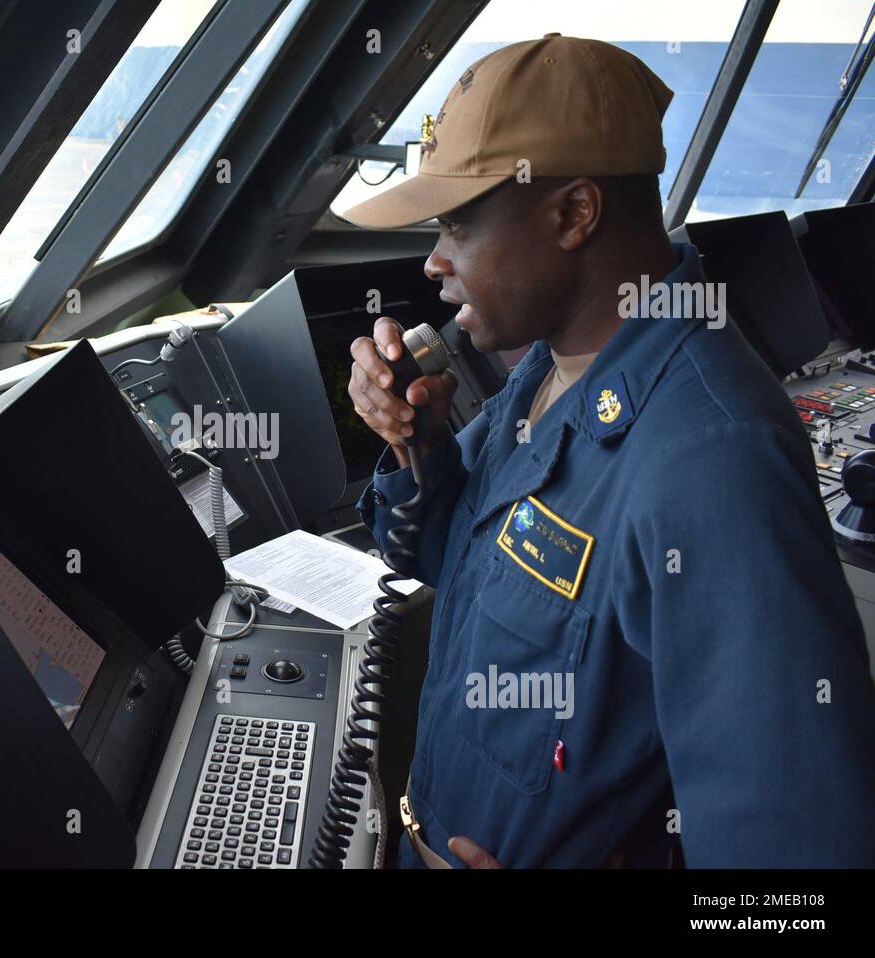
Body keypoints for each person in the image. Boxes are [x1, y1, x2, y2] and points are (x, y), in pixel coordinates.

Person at [344, 34, 875, 868]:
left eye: (455, 225)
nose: (434, 261)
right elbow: (452, 557)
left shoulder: (714, 460)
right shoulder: (552, 369)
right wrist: (416, 441)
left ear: (573, 214)